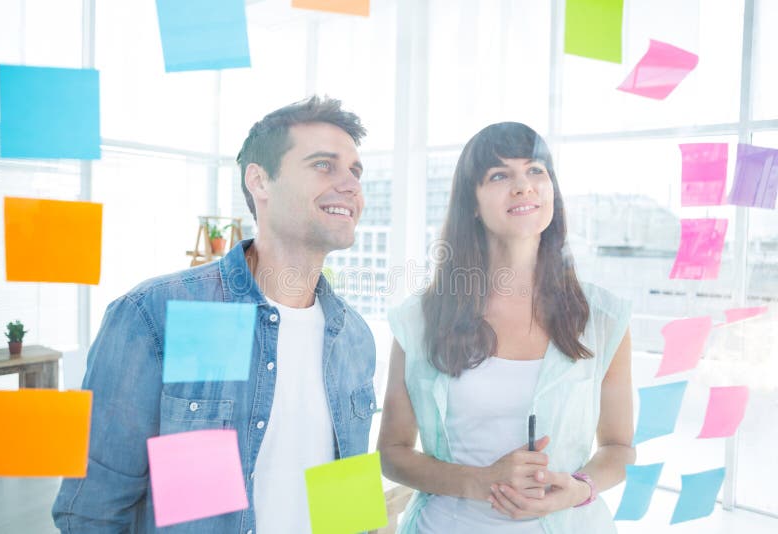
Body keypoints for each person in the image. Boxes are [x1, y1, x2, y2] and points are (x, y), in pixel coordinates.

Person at [53, 96, 378, 533]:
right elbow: (93, 512)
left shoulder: (353, 337)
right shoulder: (158, 315)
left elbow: (349, 499)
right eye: (324, 165)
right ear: (260, 181)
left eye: (355, 171)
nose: (350, 184)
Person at [378, 122, 634, 534]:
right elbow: (392, 452)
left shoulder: (602, 318)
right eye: (499, 175)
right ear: (473, 203)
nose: (523, 186)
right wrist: (478, 482)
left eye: (536, 171)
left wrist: (578, 489)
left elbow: (619, 448)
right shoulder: (421, 319)